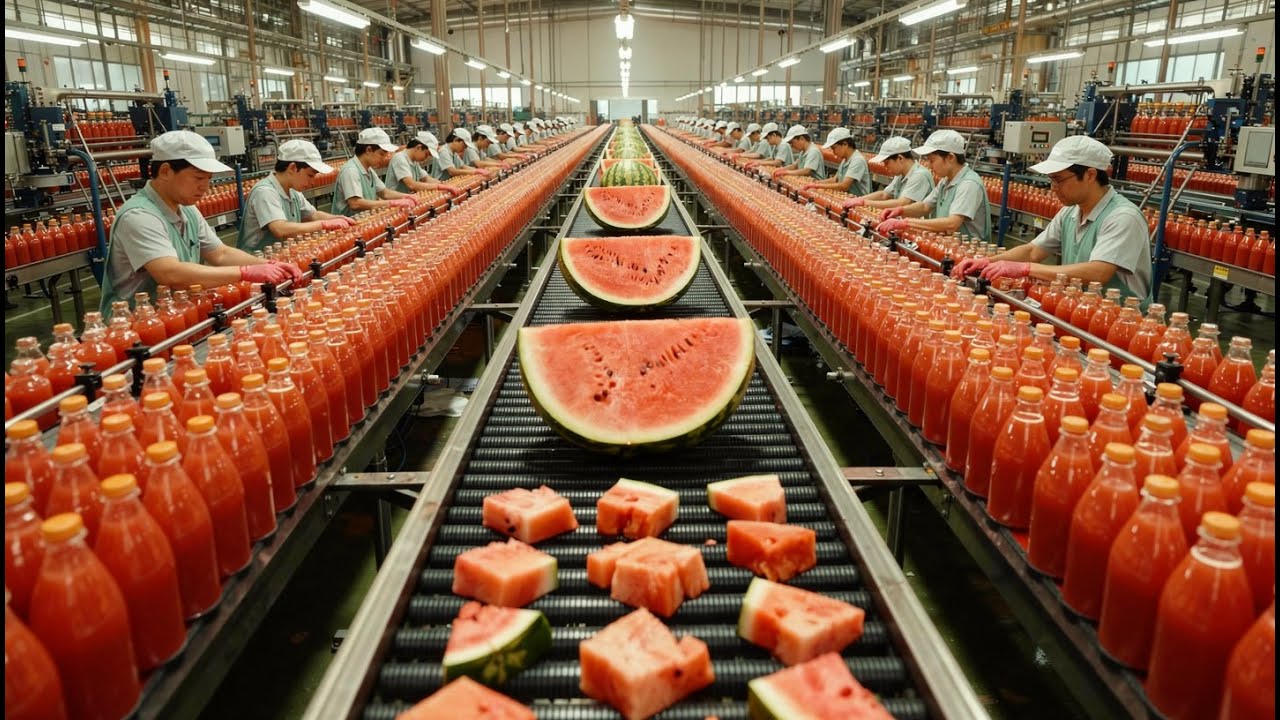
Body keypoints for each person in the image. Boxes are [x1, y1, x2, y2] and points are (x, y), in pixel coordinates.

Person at [100, 130, 303, 316]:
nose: (205, 187)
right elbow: (168, 273)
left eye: (209, 179)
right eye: (198, 177)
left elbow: (219, 253)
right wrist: (244, 272)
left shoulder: (186, 208)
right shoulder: (139, 216)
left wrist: (270, 265)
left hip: (179, 312)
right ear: (165, 171)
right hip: (136, 325)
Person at [952, 135, 1152, 301]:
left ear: (1090, 175)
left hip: (1121, 322)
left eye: (1059, 179)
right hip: (1080, 309)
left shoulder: (1123, 217)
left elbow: (1098, 272)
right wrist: (988, 261)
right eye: (1051, 180)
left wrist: (1024, 269)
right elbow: (1032, 251)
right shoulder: (1071, 211)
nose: (1053, 188)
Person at [239, 139, 354, 255]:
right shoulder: (264, 192)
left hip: (282, 257)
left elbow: (313, 215)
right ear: (292, 168)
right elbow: (280, 229)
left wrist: (337, 218)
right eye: (310, 175)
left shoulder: (293, 192)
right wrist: (323, 224)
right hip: (258, 263)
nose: (313, 182)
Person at [874, 129, 990, 241]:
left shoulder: (969, 184)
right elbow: (925, 207)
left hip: (968, 253)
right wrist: (899, 210)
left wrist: (905, 222)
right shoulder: (945, 181)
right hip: (946, 246)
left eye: (932, 160)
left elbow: (952, 224)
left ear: (950, 157)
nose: (929, 165)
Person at [331, 127, 419, 217]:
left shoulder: (369, 170)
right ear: (368, 150)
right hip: (347, 228)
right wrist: (391, 203)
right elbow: (355, 203)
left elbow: (384, 193)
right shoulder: (350, 171)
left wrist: (406, 197)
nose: (384, 158)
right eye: (381, 154)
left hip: (364, 221)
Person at [842, 136, 936, 211]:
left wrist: (864, 202)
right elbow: (884, 195)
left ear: (900, 158)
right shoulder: (900, 175)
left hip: (919, 231)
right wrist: (859, 199)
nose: (885, 166)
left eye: (887, 163)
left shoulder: (919, 175)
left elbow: (902, 203)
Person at [385, 132, 463, 197]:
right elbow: (412, 185)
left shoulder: (413, 161)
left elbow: (426, 178)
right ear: (418, 147)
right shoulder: (400, 158)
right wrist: (439, 186)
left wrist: (445, 184)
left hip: (407, 200)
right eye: (426, 154)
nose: (426, 158)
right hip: (396, 204)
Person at [803, 127, 870, 196]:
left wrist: (818, 186)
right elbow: (835, 179)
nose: (833, 152)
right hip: (846, 199)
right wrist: (816, 183)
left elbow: (844, 186)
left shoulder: (857, 160)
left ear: (845, 144)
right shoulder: (845, 160)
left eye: (834, 148)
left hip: (857, 203)